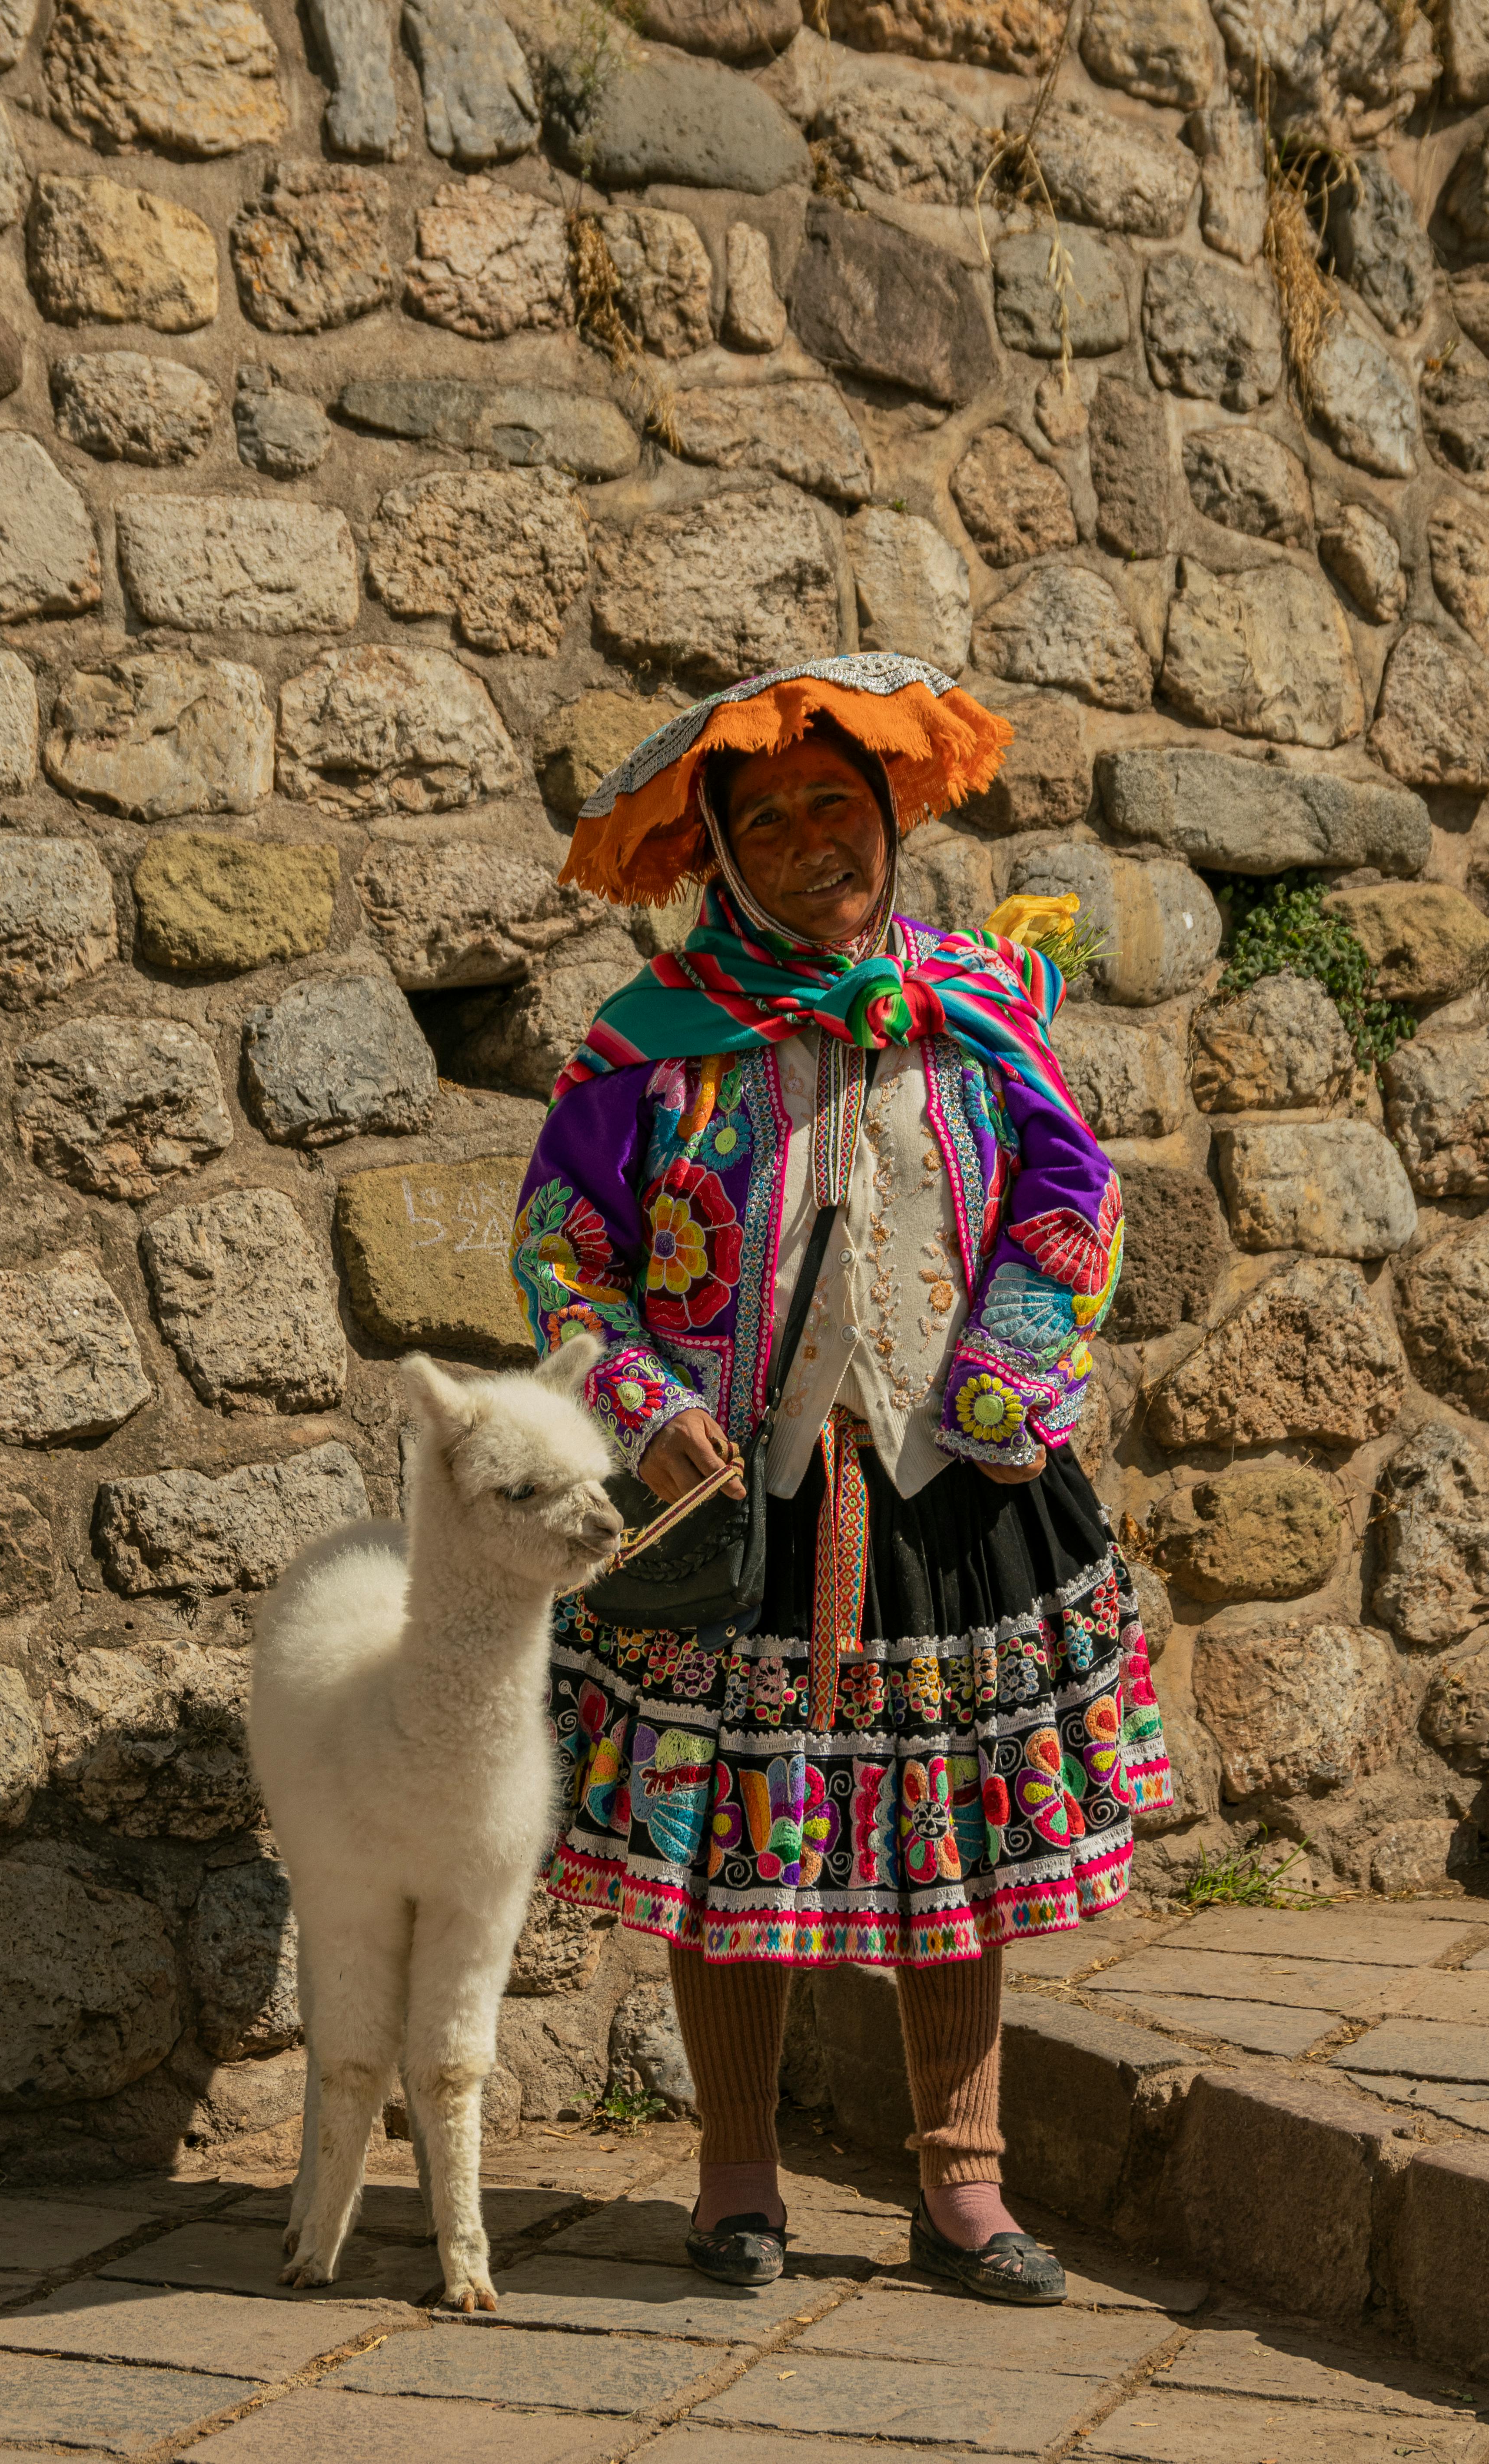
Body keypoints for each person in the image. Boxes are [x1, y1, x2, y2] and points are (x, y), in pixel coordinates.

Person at [510, 653, 1173, 2306]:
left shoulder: (976, 1005)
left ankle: (963, 2179)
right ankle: (738, 2177)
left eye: (838, 804)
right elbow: (561, 1260)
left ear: (887, 818)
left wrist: (1018, 1363)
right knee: (731, 1845)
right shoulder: (648, 1051)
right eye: (771, 817)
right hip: (743, 1495)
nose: (816, 839)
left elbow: (1065, 1193)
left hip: (958, 1476)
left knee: (949, 1838)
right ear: (720, 855)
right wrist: (644, 1401)